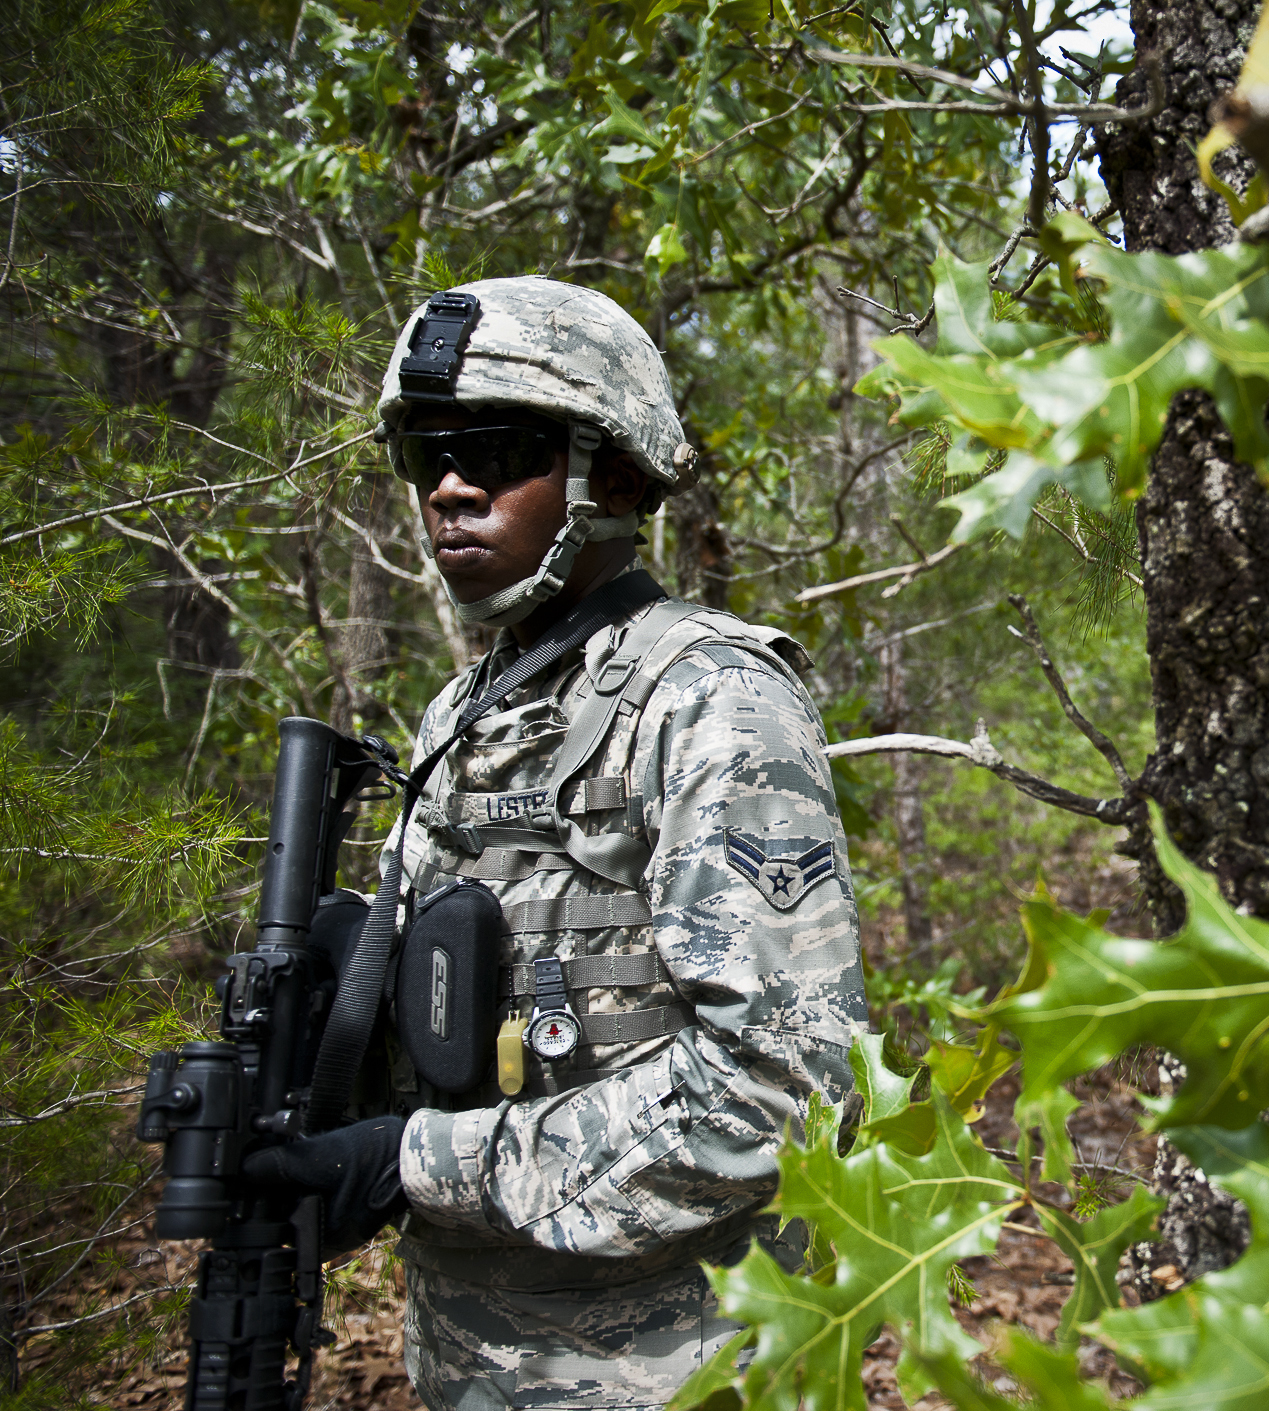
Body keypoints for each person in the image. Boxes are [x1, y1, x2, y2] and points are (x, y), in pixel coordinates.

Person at [238, 276, 867, 1410]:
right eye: (426, 455)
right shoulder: (462, 713)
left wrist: (413, 1163)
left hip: (675, 1371)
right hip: (473, 1359)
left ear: (614, 477)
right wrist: (339, 1025)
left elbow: (782, 1092)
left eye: (497, 450)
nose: (450, 488)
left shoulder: (710, 697)